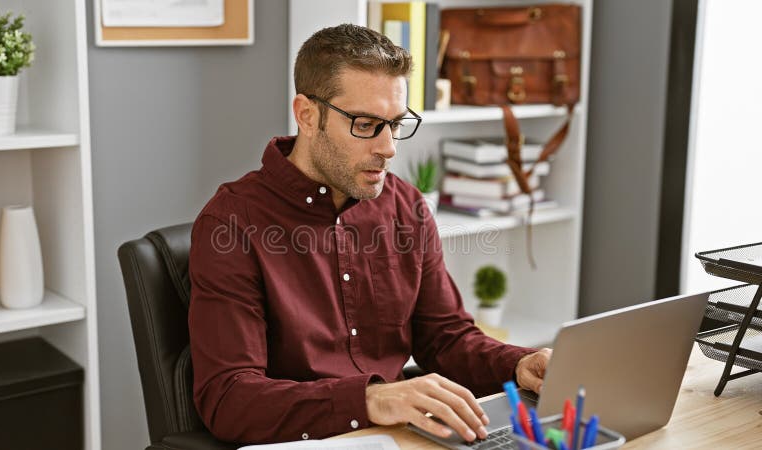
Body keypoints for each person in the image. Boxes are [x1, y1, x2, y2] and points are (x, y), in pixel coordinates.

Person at [188, 23, 552, 445]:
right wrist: (371, 400)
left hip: (400, 437)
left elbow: (446, 338)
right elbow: (230, 398)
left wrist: (518, 364)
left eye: (395, 124)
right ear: (307, 115)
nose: (389, 147)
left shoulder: (406, 206)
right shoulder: (231, 223)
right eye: (365, 124)